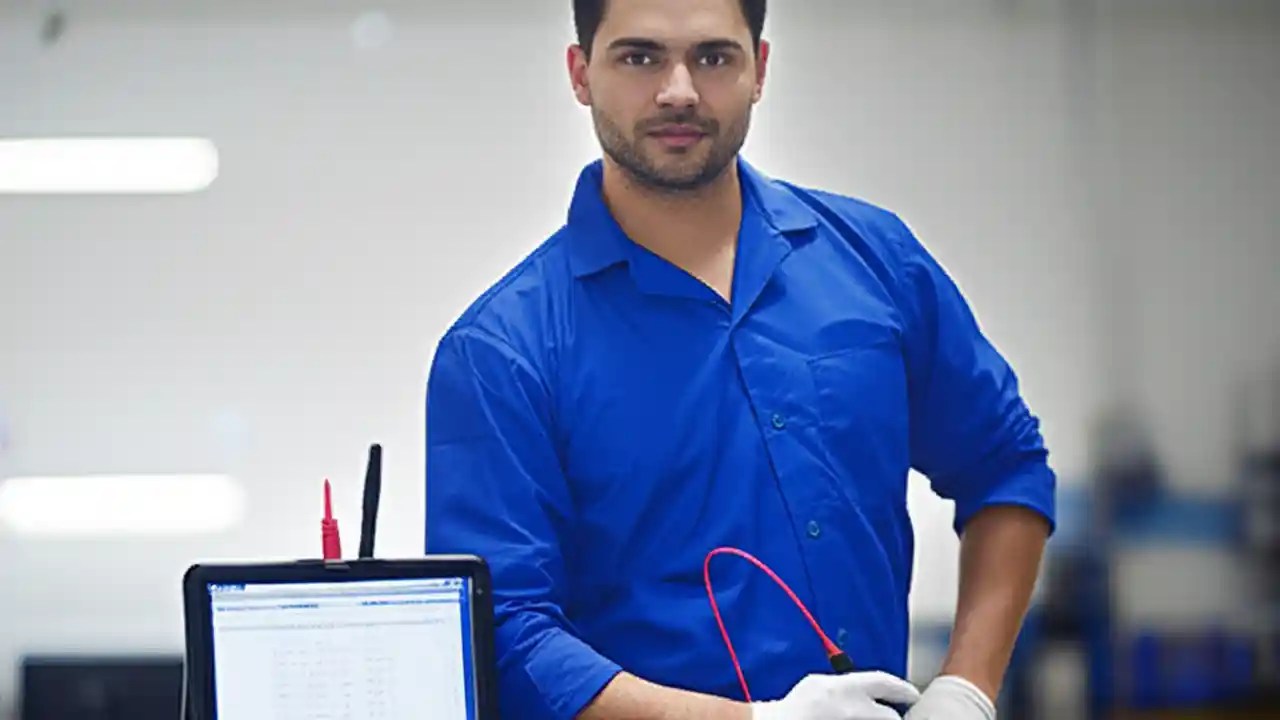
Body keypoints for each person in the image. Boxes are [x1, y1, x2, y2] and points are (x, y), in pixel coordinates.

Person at [424, 0, 1056, 718]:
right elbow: (504, 634)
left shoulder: (877, 264)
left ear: (759, 69)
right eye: (640, 57)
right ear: (580, 74)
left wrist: (967, 689)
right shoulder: (502, 351)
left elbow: (1007, 465)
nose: (680, 91)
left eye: (714, 58)